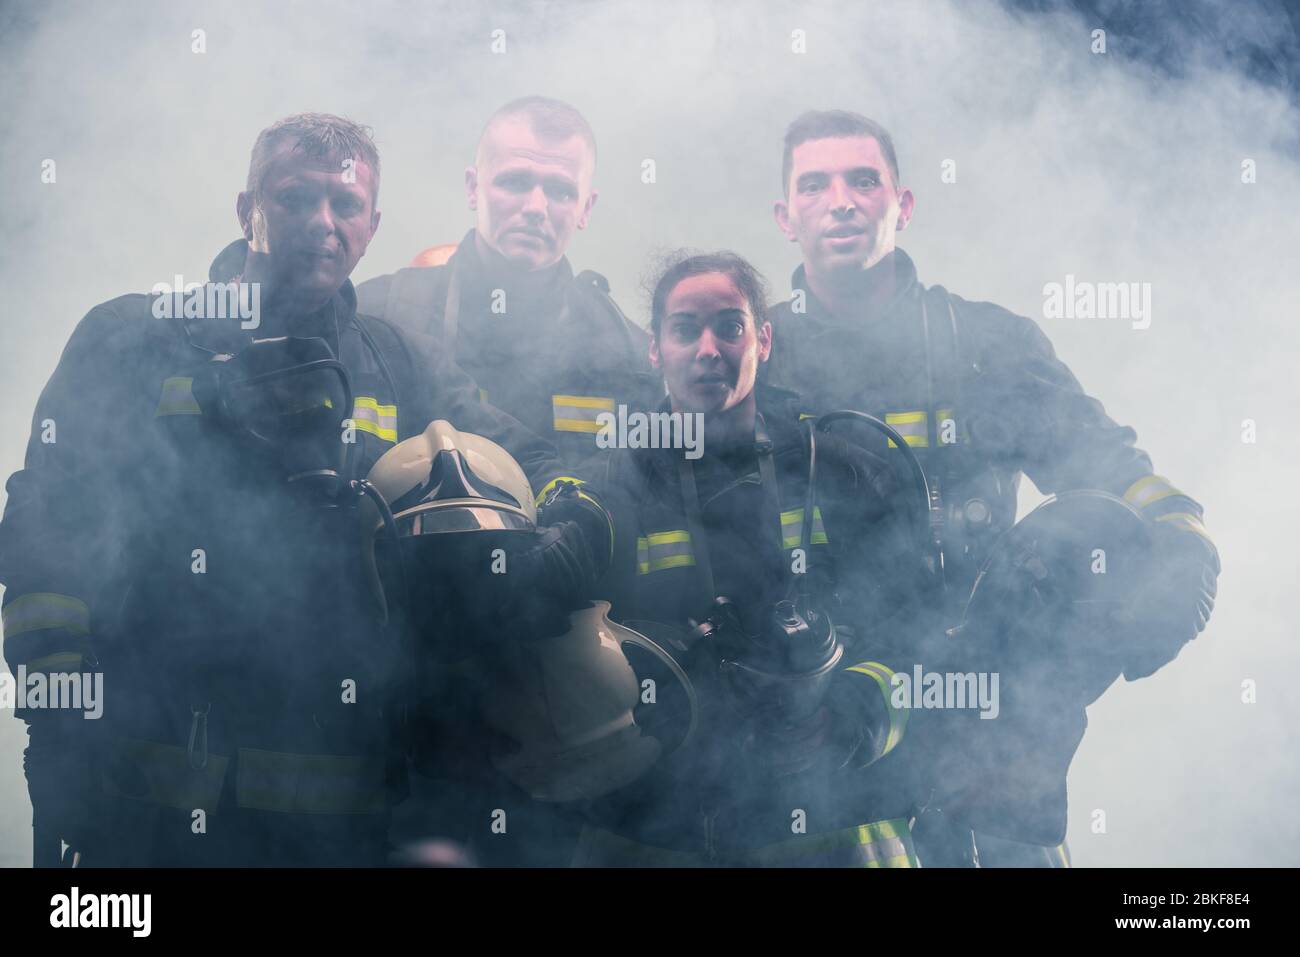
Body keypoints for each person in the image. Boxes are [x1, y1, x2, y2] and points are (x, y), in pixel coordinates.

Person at [0, 113, 607, 867]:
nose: (322, 223)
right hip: (142, 806)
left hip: (338, 814)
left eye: (345, 205)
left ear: (372, 224)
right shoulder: (133, 338)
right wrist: (58, 708)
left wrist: (576, 512)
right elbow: (44, 526)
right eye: (294, 199)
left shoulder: (397, 364)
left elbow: (531, 454)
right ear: (247, 207)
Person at [765, 109, 1221, 866]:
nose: (840, 200)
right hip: (828, 738)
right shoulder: (751, 356)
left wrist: (1179, 532)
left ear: (902, 205)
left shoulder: (984, 344)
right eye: (814, 185)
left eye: (863, 180)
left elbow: (1100, 462)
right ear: (786, 217)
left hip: (983, 731)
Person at [573, 251, 938, 867]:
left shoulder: (845, 470)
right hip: (657, 831)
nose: (709, 348)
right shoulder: (609, 485)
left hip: (837, 828)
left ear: (763, 340)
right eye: (685, 329)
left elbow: (924, 630)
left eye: (730, 326)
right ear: (655, 349)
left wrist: (859, 715)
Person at [355, 96, 661, 464]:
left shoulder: (631, 358)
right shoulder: (378, 319)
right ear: (473, 188)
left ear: (586, 208)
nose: (535, 208)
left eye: (560, 191)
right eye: (515, 182)